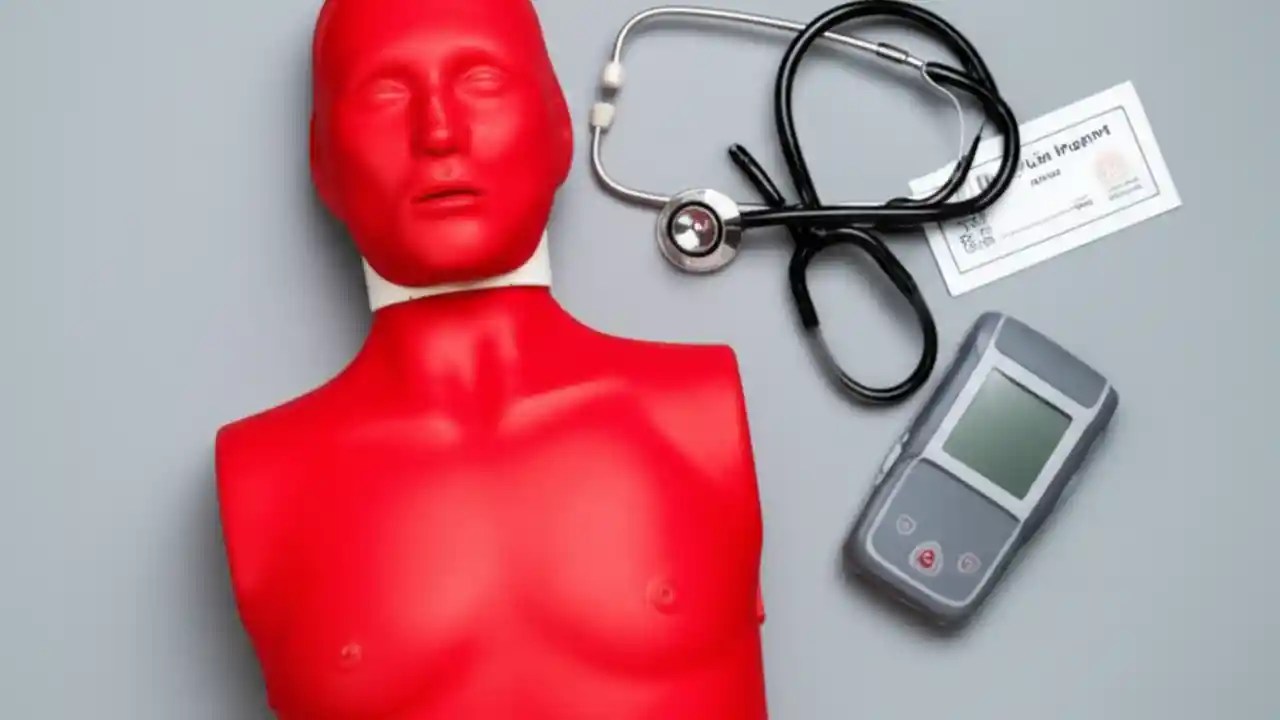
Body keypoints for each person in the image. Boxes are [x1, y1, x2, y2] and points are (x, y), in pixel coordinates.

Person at [215, 0, 769, 717]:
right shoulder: (265, 478)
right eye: (387, 92)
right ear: (322, 160)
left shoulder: (697, 411)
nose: (439, 132)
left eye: (480, 78)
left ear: (560, 131)